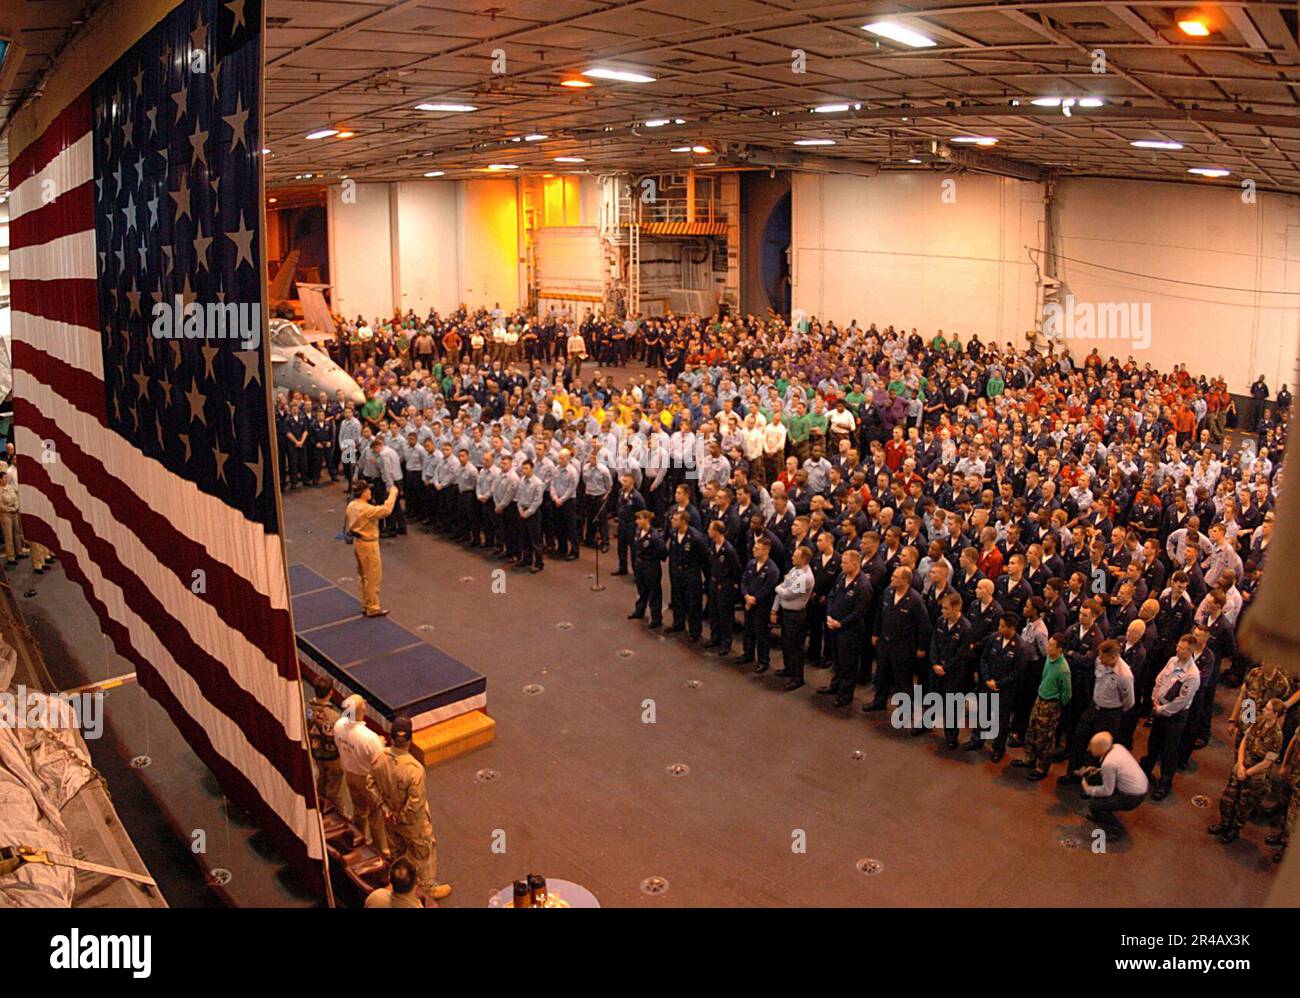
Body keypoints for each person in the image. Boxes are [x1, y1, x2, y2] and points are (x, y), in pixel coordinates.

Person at [369, 715, 452, 901]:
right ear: (410, 739)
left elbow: (370, 785)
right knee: (423, 854)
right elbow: (416, 803)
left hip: (389, 819)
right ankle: (427, 889)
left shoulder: (378, 757)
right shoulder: (414, 769)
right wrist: (402, 817)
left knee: (397, 851)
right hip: (413, 824)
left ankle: (400, 882)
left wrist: (386, 810)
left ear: (391, 738)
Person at [1207, 697, 1284, 844]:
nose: (1263, 710)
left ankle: (1233, 830)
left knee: (1243, 805)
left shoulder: (1277, 736)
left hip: (1255, 777)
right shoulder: (1259, 720)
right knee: (1228, 799)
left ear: (1275, 714)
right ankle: (1224, 824)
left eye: (1267, 709)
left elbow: (1267, 762)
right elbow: (1244, 741)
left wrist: (1247, 773)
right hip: (1242, 767)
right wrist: (1241, 764)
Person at [1140, 636, 1201, 801]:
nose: (1177, 649)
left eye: (1181, 648)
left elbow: (1182, 701)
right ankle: (1146, 769)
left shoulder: (1192, 675)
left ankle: (1165, 782)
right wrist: (1154, 698)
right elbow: (1159, 679)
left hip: (1175, 717)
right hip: (1159, 709)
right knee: (1154, 742)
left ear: (1190, 651)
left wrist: (1163, 710)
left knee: (1169, 750)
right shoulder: (1173, 661)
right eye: (1178, 646)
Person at [333, 695, 389, 855]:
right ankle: (380, 849)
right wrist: (381, 745)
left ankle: (360, 839)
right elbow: (381, 762)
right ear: (363, 710)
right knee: (375, 815)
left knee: (359, 810)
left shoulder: (338, 724)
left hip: (350, 774)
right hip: (367, 779)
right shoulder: (369, 737)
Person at [1013, 633, 1071, 780]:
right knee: (1031, 730)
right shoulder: (1048, 659)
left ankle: (1041, 768)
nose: (1047, 647)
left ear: (1060, 649)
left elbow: (1066, 693)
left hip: (1051, 704)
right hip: (1040, 699)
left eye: (1051, 645)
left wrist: (1056, 705)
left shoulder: (1063, 669)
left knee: (1045, 739)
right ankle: (1029, 759)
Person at [819, 549, 871, 708]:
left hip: (850, 631)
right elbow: (832, 595)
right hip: (834, 625)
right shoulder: (842, 577)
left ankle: (845, 695)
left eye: (844, 562)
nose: (841, 565)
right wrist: (829, 614)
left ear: (855, 564)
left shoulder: (863, 585)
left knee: (848, 663)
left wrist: (841, 623)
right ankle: (835, 685)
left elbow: (859, 612)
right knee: (837, 660)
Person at [1080, 731, 1148, 837]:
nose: (1089, 749)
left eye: (1092, 746)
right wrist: (1098, 770)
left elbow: (1107, 791)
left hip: (1132, 797)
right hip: (1141, 787)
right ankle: (1100, 816)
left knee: (1095, 805)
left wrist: (1087, 789)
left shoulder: (1108, 763)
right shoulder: (1117, 747)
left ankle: (1114, 831)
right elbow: (1120, 768)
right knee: (1097, 783)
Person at [346, 481, 398, 617]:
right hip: (369, 544)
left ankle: (365, 603)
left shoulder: (352, 505)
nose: (370, 492)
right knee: (373, 576)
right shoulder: (365, 509)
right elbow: (386, 510)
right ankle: (373, 607)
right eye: (368, 490)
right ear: (363, 493)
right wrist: (393, 493)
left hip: (358, 543)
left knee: (363, 575)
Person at [773, 545, 815, 691]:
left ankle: (797, 678)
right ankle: (788, 669)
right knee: (786, 643)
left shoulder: (806, 578)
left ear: (803, 559)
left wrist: (778, 587)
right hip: (786, 613)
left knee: (795, 647)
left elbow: (785, 593)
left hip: (796, 616)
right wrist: (782, 587)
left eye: (795, 556)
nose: (792, 557)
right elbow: (785, 585)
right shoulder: (794, 569)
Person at [738, 536, 780, 672]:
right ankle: (748, 654)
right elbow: (743, 580)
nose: (753, 549)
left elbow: (767, 589)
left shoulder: (772, 570)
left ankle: (763, 661)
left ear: (766, 550)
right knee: (748, 630)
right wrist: (745, 596)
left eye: (757, 548)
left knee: (761, 634)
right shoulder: (751, 563)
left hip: (762, 607)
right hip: (749, 603)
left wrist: (753, 600)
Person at [305, 674, 344, 806]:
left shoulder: (307, 709)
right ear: (331, 693)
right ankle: (336, 814)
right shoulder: (335, 717)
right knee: (335, 790)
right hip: (333, 758)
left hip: (316, 754)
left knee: (320, 782)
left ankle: (319, 806)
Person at [628, 509, 667, 628]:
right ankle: (639, 611)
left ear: (647, 520)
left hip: (651, 567)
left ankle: (656, 618)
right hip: (640, 565)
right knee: (641, 589)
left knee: (653, 592)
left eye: (639, 519)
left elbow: (663, 552)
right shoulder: (638, 531)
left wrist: (652, 559)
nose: (637, 521)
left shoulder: (654, 536)